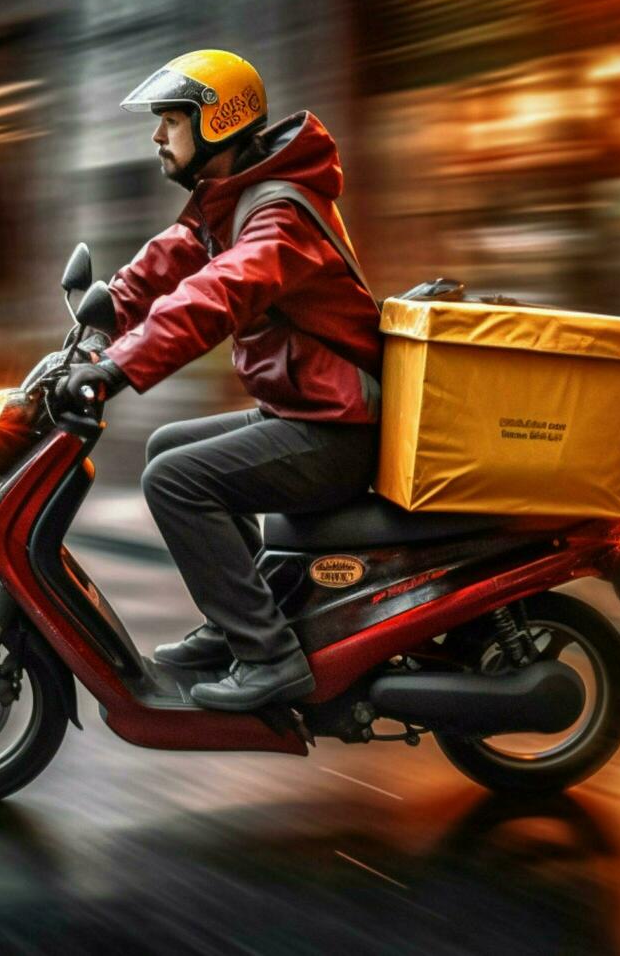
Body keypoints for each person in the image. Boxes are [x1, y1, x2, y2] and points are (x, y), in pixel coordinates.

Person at [59, 50, 382, 712]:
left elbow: (217, 293)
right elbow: (169, 261)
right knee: (167, 449)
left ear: (216, 124)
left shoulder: (281, 215)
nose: (157, 137)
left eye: (170, 122)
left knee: (176, 481)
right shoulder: (233, 203)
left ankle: (269, 655)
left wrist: (118, 367)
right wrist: (106, 315)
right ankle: (240, 620)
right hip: (307, 410)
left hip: (338, 429)